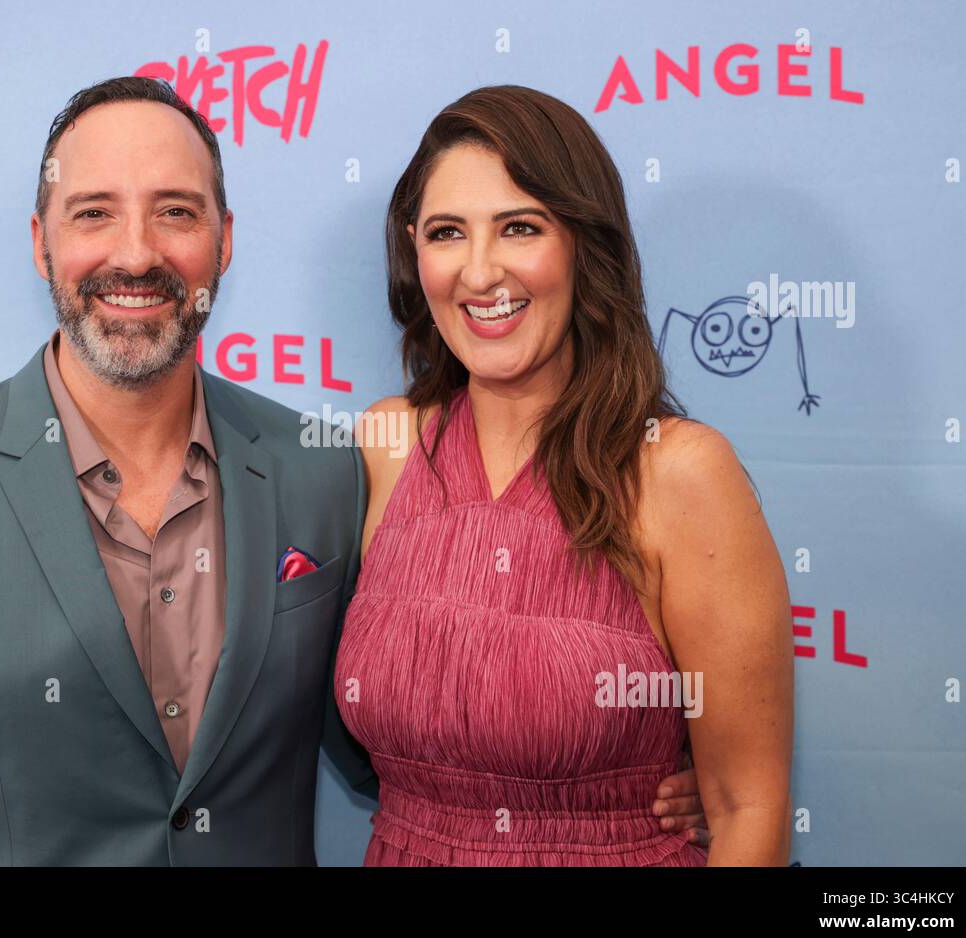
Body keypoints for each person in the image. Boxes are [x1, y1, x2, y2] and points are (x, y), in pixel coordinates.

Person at [0, 76, 708, 865]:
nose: (137, 253)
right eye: (94, 212)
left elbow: (397, 726)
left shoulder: (322, 470)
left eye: (176, 213)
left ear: (224, 241)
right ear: (41, 243)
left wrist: (620, 783)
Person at [335, 85, 793, 866]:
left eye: (520, 227)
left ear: (584, 244)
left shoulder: (677, 472)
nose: (481, 273)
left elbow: (748, 807)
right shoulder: (386, 444)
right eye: (448, 233)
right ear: (415, 253)